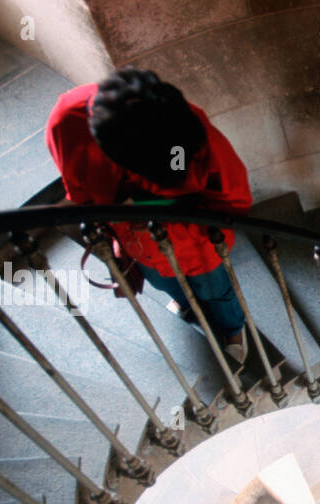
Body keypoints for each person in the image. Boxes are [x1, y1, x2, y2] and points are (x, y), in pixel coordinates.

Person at [45, 68, 253, 363]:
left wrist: (170, 211)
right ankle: (186, 303)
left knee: (215, 289)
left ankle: (232, 327)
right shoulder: (67, 125)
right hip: (139, 248)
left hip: (196, 247)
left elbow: (232, 201)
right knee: (164, 283)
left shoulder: (183, 127)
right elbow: (79, 191)